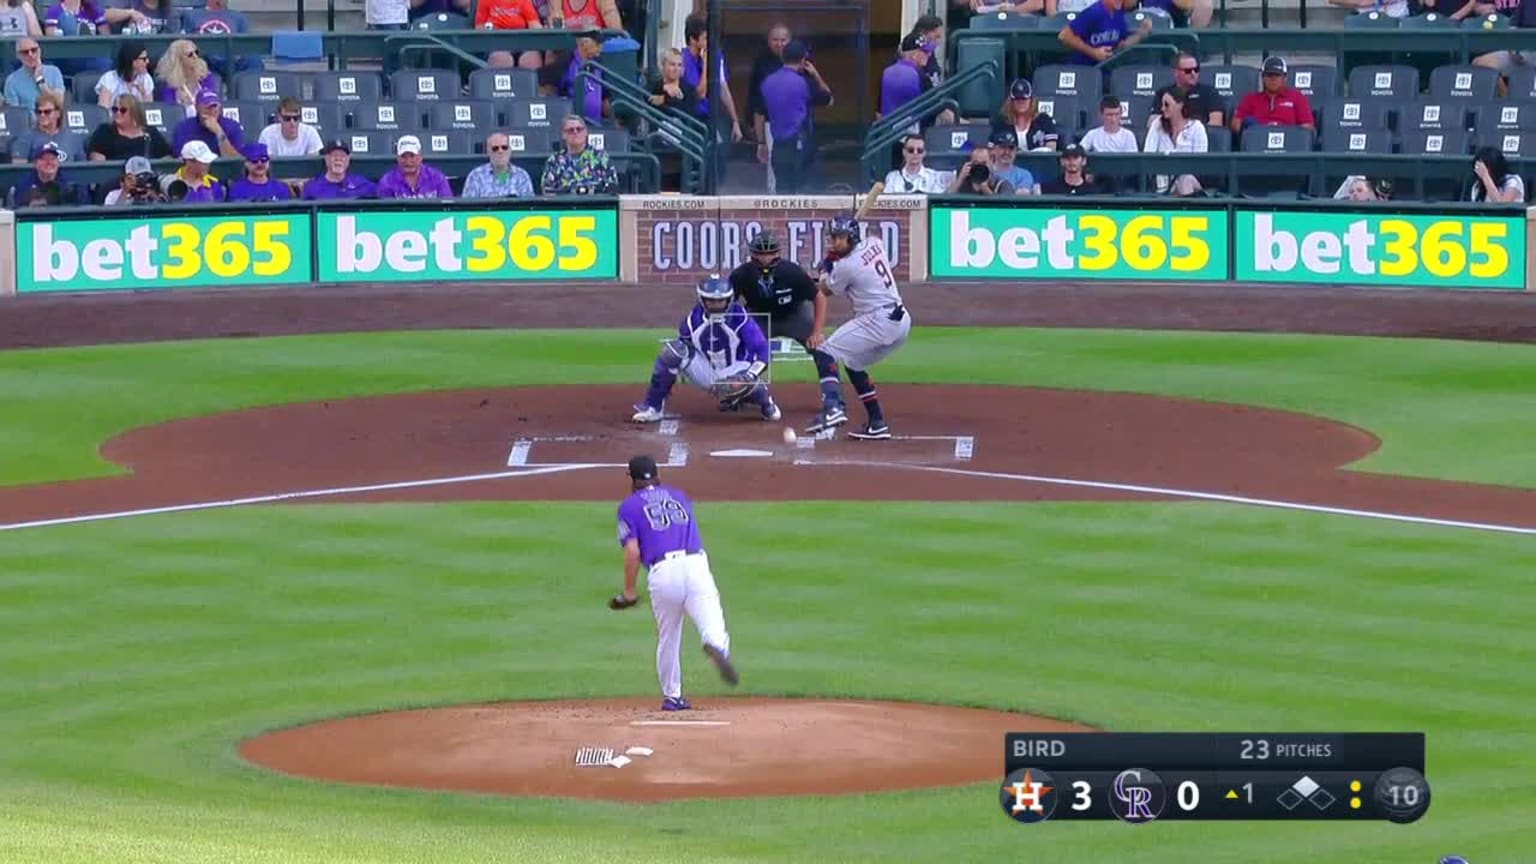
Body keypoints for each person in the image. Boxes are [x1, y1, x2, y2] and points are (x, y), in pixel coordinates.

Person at [608, 453, 738, 713]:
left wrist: (629, 593)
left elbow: (632, 552)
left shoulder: (628, 507)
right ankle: (715, 647)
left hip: (663, 572)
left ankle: (673, 696)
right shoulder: (679, 496)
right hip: (696, 564)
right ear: (658, 475)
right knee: (713, 623)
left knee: (669, 636)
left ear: (632, 480)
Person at [806, 212, 911, 440]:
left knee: (824, 350)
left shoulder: (847, 266)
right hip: (901, 321)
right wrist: (835, 260)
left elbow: (824, 290)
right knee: (853, 363)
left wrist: (826, 267)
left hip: (878, 320)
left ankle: (832, 408)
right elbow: (860, 254)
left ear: (851, 237)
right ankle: (877, 422)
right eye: (833, 237)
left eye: (840, 237)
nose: (834, 242)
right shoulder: (874, 243)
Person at [630, 276, 780, 423]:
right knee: (672, 352)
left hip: (737, 369)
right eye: (711, 301)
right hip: (707, 370)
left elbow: (763, 349)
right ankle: (653, 407)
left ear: (729, 300)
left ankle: (766, 403)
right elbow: (684, 347)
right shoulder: (692, 320)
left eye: (720, 301)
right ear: (702, 300)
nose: (716, 306)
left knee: (769, 411)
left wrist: (749, 375)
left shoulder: (740, 318)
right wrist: (677, 369)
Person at [760, 40, 833, 194]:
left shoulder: (768, 82)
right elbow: (829, 99)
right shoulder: (803, 83)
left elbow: (760, 113)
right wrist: (816, 75)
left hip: (777, 146)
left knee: (782, 194)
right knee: (802, 194)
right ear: (803, 60)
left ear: (783, 58)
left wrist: (761, 142)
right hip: (800, 145)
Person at [748, 23, 789, 190]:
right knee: (773, 163)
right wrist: (760, 138)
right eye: (775, 40)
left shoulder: (799, 61)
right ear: (768, 41)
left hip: (794, 123)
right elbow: (756, 98)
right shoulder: (762, 63)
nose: (779, 44)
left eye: (783, 40)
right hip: (769, 122)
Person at [1144, 88, 1207, 195]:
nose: (1162, 108)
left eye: (1167, 105)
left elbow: (1200, 163)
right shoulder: (1157, 125)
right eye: (1162, 105)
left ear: (1180, 105)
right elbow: (1148, 155)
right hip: (1163, 182)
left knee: (1185, 180)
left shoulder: (1196, 127)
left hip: (1190, 181)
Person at [1232, 56, 1314, 134]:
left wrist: (1280, 130)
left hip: (1288, 139)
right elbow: (1235, 124)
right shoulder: (1250, 99)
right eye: (1269, 75)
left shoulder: (1297, 97)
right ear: (1263, 78)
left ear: (1285, 78)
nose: (1273, 79)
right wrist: (1260, 129)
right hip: (1259, 139)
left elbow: (1308, 127)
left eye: (1277, 75)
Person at [181, 0, 262, 78]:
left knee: (253, 59)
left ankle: (246, 86)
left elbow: (246, 45)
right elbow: (183, 43)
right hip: (205, 61)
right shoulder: (192, 15)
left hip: (231, 60)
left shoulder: (239, 17)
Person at [541, 114, 618, 194]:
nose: (575, 132)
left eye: (579, 129)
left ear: (585, 132)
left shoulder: (601, 157)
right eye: (571, 130)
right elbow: (547, 190)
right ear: (563, 134)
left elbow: (612, 188)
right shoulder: (554, 161)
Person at [1058, 0, 1152, 65]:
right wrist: (1093, 52)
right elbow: (1064, 36)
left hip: (1105, 69)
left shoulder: (1118, 14)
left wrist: (1141, 33)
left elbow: (1121, 45)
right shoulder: (1095, 12)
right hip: (1084, 69)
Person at [88, 93, 173, 160]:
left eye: (123, 110)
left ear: (134, 112)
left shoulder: (150, 132)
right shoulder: (105, 131)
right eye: (115, 109)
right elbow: (96, 158)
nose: (118, 113)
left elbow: (166, 157)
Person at [9, 90, 86, 162]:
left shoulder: (73, 137)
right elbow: (19, 168)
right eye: (39, 112)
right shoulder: (26, 137)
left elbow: (82, 167)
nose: (42, 115)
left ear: (58, 113)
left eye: (47, 112)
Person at [879, 31, 930, 138]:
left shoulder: (887, 72)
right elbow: (940, 110)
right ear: (914, 55)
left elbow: (878, 113)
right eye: (925, 51)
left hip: (889, 138)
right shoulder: (921, 76)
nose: (929, 54)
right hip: (915, 140)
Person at [1153, 53, 1224, 128]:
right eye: (1188, 71)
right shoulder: (1164, 93)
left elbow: (1216, 123)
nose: (1193, 74)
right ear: (1176, 73)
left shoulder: (1210, 92)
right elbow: (1153, 122)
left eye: (1196, 70)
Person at [41, 0, 110, 76]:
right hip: (65, 56)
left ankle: (84, 44)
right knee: (67, 19)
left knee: (105, 61)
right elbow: (51, 42)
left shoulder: (92, 10)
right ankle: (79, 41)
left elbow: (106, 38)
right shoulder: (55, 10)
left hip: (90, 55)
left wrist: (97, 13)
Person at [5, 142, 86, 207]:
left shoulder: (71, 183)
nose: (49, 162)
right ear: (35, 163)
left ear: (58, 162)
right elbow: (17, 210)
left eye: (52, 159)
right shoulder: (24, 184)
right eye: (44, 159)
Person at [171, 87, 243, 157]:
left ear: (220, 107)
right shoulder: (184, 128)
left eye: (214, 106)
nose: (212, 111)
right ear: (197, 107)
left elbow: (235, 160)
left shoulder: (232, 126)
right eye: (207, 106)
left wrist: (219, 132)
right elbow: (180, 158)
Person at [376, 134, 453, 199]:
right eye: (403, 156)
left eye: (412, 156)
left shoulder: (437, 178)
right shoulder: (387, 182)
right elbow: (384, 211)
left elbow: (447, 206)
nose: (408, 161)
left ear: (420, 157)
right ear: (398, 158)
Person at [155, 38, 219, 114]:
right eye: (190, 54)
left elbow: (214, 103)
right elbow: (169, 111)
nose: (195, 56)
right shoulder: (168, 84)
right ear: (179, 60)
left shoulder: (206, 77)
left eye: (196, 52)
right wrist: (178, 103)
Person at [462, 131, 535, 197]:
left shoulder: (521, 175)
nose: (500, 151)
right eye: (495, 148)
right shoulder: (476, 176)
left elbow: (530, 205)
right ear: (488, 152)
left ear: (510, 150)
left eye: (504, 147)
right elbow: (468, 206)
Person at [994, 78, 1058, 152]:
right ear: (1011, 101)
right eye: (1017, 98)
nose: (1021, 101)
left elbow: (1051, 149)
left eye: (1024, 98)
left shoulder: (1044, 120)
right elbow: (993, 149)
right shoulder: (1002, 122)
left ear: (1031, 100)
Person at [301, 138, 376, 199]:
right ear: (327, 159)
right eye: (334, 155)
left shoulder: (361, 184)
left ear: (348, 160)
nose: (338, 159)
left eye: (342, 156)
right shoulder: (312, 188)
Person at [2, 37, 62, 110]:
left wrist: (40, 81)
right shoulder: (11, 81)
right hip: (26, 117)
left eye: (34, 50)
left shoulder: (54, 72)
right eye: (25, 52)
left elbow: (59, 103)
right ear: (18, 56)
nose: (30, 55)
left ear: (39, 51)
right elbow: (14, 113)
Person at [560, 34, 608, 126]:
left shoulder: (599, 64)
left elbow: (605, 97)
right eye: (597, 44)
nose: (601, 48)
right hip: (573, 125)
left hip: (596, 125)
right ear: (584, 43)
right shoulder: (566, 62)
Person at [882, 133, 951, 194]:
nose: (915, 153)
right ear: (904, 152)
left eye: (919, 150)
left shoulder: (934, 177)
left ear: (924, 153)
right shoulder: (893, 177)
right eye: (911, 150)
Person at [256, 96, 323, 158]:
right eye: (287, 119)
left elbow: (314, 163)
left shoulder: (310, 133)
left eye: (296, 118)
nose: (292, 123)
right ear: (279, 118)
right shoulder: (267, 135)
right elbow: (263, 163)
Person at [95, 40, 155, 108]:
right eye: (144, 59)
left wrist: (144, 94)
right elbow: (103, 111)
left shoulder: (146, 79)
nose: (147, 61)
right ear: (132, 60)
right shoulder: (109, 79)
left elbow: (150, 110)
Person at [226, 142, 291, 201]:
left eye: (263, 160)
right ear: (246, 163)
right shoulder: (237, 189)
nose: (259, 164)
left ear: (268, 162)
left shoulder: (280, 188)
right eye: (254, 160)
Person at [947, 141, 1013, 195]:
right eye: (976, 163)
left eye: (984, 163)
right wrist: (960, 179)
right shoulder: (963, 182)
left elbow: (1003, 205)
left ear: (991, 162)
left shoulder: (1002, 184)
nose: (980, 167)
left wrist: (985, 188)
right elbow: (945, 199)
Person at [1041, 143, 1108, 194]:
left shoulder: (1092, 190)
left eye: (1075, 157)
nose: (1071, 161)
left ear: (1084, 161)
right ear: (1062, 161)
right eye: (1067, 158)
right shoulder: (1051, 188)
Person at [649, 47, 698, 116]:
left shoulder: (690, 90)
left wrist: (665, 99)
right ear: (663, 66)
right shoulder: (655, 86)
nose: (676, 69)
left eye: (679, 65)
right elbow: (644, 96)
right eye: (672, 64)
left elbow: (688, 111)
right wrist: (663, 87)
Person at [988, 129, 1037, 194]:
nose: (1007, 152)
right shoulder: (985, 172)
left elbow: (1020, 198)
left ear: (1016, 151)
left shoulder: (1023, 175)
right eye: (1003, 147)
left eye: (1011, 148)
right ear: (993, 150)